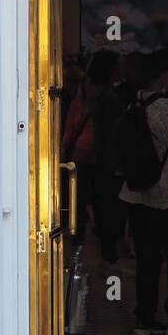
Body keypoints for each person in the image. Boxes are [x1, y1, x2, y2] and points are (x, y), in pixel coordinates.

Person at [118, 51, 168, 335]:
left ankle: (145, 316)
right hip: (167, 194)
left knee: (147, 258)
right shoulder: (165, 106)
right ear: (166, 76)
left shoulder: (133, 101)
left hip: (136, 193)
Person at [64, 50, 124, 266]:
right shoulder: (107, 96)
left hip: (81, 150)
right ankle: (107, 256)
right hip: (99, 155)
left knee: (82, 203)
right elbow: (106, 131)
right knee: (104, 206)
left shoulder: (84, 87)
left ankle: (79, 249)